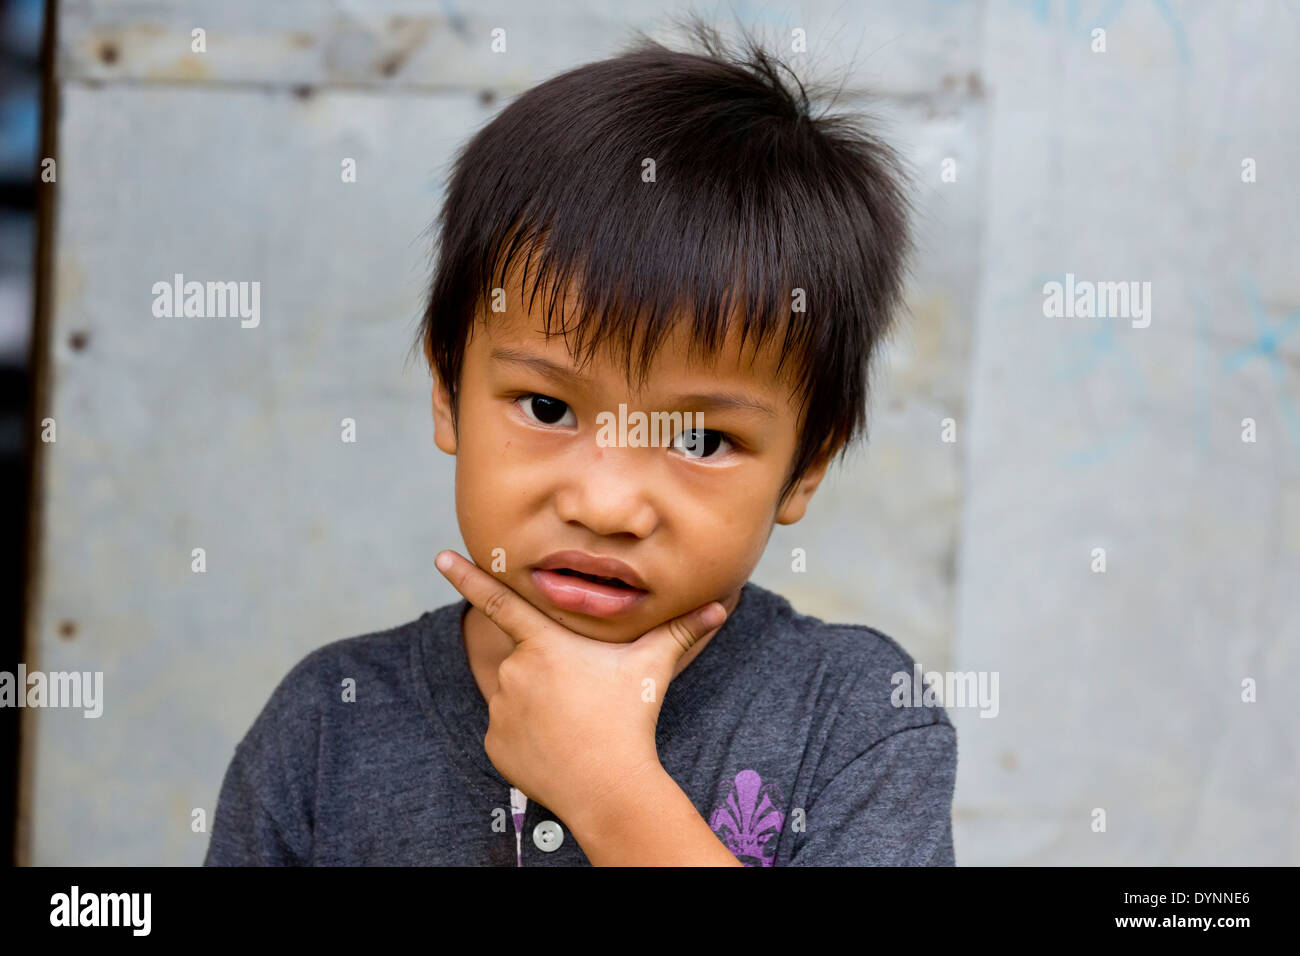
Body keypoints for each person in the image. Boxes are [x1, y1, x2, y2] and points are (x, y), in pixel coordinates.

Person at [205, 21, 955, 867]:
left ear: (807, 464)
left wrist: (613, 795)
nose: (604, 505)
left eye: (703, 438)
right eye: (547, 408)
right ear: (448, 388)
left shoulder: (853, 720)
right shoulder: (326, 728)